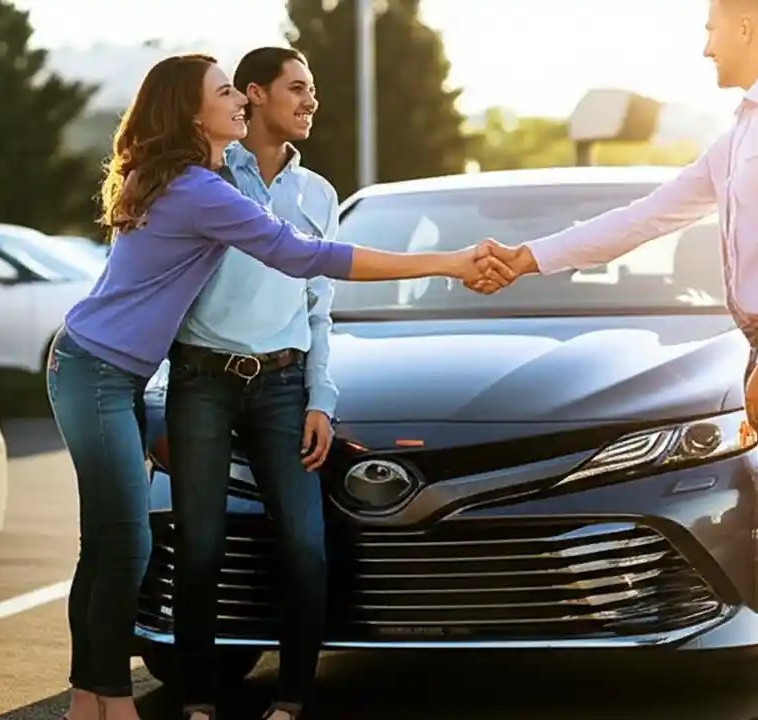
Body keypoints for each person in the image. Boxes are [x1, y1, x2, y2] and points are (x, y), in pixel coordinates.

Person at [46, 52, 514, 720]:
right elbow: (303, 255)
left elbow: (302, 280)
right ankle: (113, 705)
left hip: (105, 368)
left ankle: (88, 700)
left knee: (109, 544)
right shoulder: (203, 189)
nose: (237, 98)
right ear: (191, 111)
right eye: (225, 90)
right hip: (95, 369)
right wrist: (445, 261)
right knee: (128, 544)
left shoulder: (194, 179)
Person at [478, 1, 758, 718]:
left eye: (710, 30)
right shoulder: (744, 130)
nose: (705, 48)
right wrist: (529, 258)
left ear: (747, 28)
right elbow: (648, 215)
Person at [165, 47, 337, 720]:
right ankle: (197, 700)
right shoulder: (204, 177)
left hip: (284, 387)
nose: (310, 101)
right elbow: (163, 294)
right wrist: (158, 406)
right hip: (200, 381)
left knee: (304, 545)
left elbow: (320, 307)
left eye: (313, 90)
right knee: (200, 546)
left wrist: (322, 398)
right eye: (297, 88)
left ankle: (292, 697)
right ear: (255, 93)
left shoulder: (318, 194)